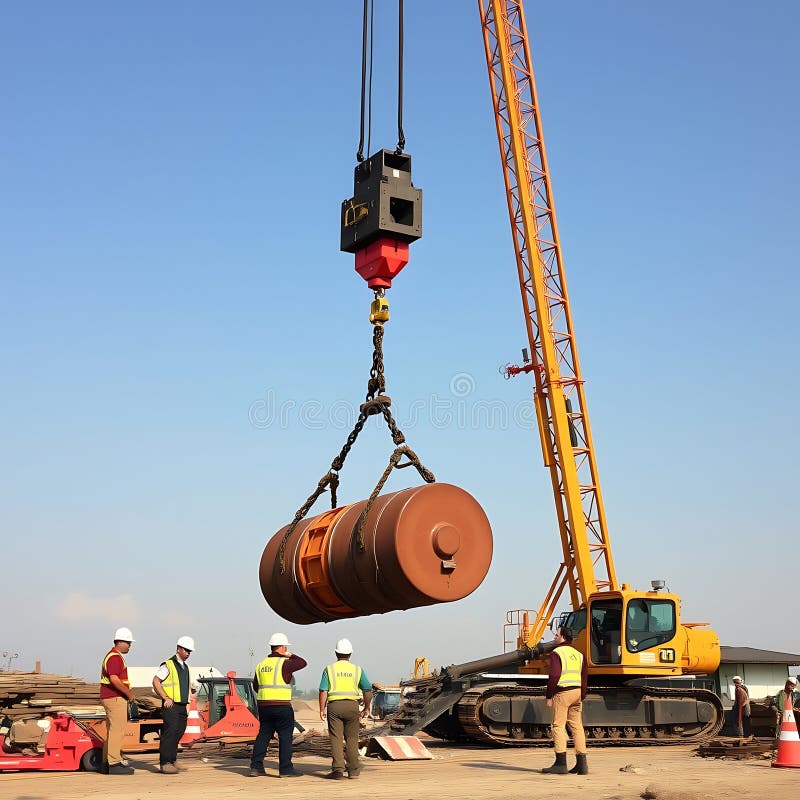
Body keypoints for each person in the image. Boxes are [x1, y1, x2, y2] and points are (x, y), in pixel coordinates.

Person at [249, 632, 307, 778]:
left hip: (264, 706)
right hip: (281, 706)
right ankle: (285, 769)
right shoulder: (284, 664)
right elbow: (302, 662)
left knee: (263, 735)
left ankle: (256, 767)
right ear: (282, 647)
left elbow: (256, 686)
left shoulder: (261, 665)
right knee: (285, 737)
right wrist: (290, 655)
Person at [318, 638, 372, 780]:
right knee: (352, 738)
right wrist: (366, 707)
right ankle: (353, 770)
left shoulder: (329, 669)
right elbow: (367, 689)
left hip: (334, 706)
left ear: (336, 653)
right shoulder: (357, 670)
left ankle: (338, 770)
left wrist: (321, 709)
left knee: (336, 738)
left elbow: (323, 690)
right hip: (352, 706)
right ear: (350, 654)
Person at [542, 626, 588, 775]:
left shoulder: (557, 653)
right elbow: (584, 677)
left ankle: (560, 764)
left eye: (556, 635)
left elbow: (555, 675)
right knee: (577, 727)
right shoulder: (579, 654)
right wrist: (582, 694)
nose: (554, 637)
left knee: (558, 726)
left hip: (563, 692)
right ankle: (582, 765)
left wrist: (549, 695)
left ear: (562, 637)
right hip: (577, 692)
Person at [152, 635, 195, 774]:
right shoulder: (168, 664)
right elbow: (156, 681)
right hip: (171, 705)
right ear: (178, 649)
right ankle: (165, 763)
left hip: (182, 705)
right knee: (169, 733)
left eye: (190, 651)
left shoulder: (186, 667)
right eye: (186, 650)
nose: (188, 653)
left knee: (178, 732)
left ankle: (173, 760)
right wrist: (165, 697)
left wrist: (189, 695)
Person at [99, 627, 137, 775]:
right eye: (128, 642)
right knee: (117, 731)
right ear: (120, 641)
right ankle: (114, 763)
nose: (130, 645)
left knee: (112, 731)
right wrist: (129, 694)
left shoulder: (112, 656)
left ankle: (106, 763)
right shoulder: (115, 657)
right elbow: (114, 679)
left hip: (110, 697)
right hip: (115, 698)